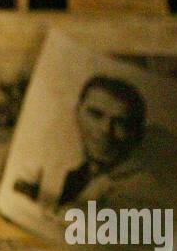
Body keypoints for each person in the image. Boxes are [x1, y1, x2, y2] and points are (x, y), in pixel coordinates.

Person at [52, 76, 166, 215]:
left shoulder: (138, 193)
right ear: (77, 112)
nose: (106, 129)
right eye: (96, 114)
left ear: (136, 134)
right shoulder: (78, 175)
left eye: (120, 122)